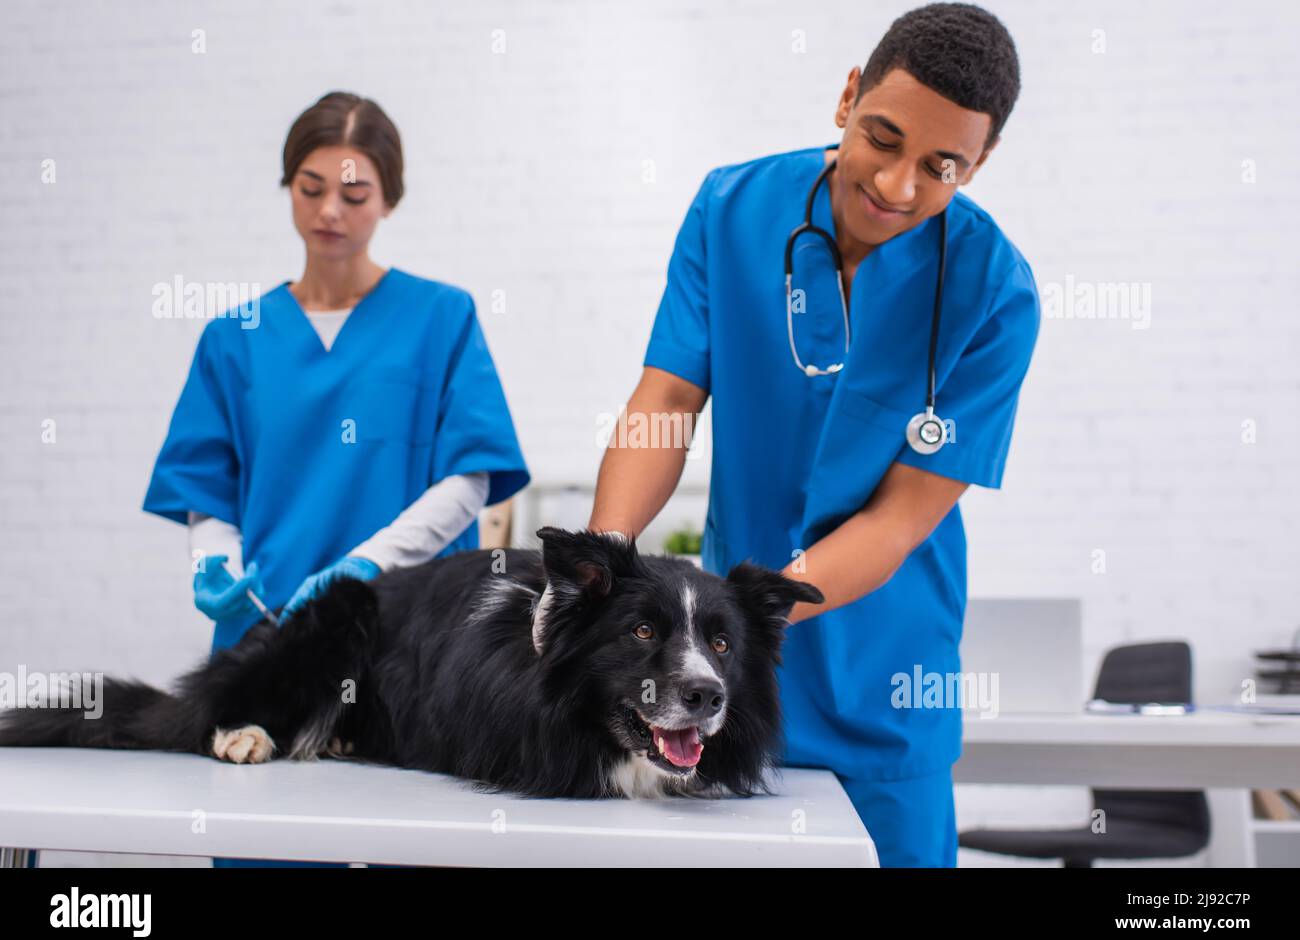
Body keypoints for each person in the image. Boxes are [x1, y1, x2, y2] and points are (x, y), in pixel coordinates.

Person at [587, 3, 1040, 867]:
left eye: (942, 166)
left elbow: (899, 520)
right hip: (720, 686)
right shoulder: (731, 210)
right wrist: (605, 555)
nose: (900, 186)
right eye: (884, 137)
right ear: (846, 98)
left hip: (887, 683)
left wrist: (753, 615)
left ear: (979, 166)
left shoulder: (997, 293)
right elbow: (668, 399)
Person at [142, 92, 530, 867]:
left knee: (413, 843)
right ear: (288, 186)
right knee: (264, 851)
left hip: (403, 640)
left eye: (354, 193)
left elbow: (471, 476)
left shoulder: (439, 319)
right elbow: (205, 484)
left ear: (388, 198)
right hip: (269, 633)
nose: (330, 211)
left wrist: (367, 566)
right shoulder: (237, 336)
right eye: (311, 187)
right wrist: (211, 562)